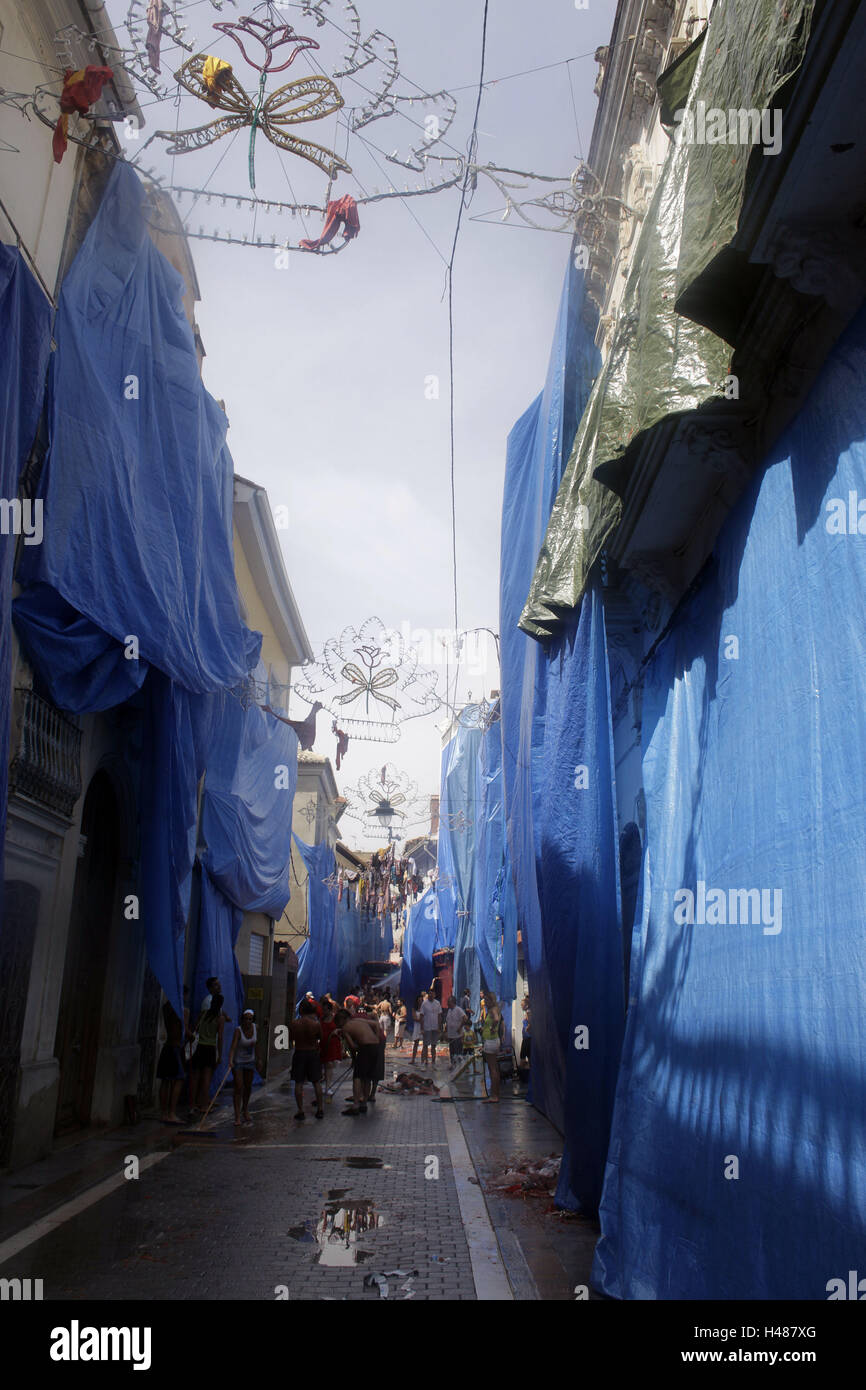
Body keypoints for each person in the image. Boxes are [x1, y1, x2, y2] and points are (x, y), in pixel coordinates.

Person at [334, 1008, 381, 1115]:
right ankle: (364, 1103)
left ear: (342, 1020)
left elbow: (353, 1047)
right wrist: (376, 1039)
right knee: (367, 1077)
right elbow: (376, 1025)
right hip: (375, 1047)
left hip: (365, 1048)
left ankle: (355, 1105)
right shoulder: (360, 1020)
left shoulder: (345, 1028)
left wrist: (356, 1056)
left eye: (337, 1023)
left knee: (357, 1077)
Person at [190, 991, 225, 1115]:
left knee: (195, 1078)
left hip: (199, 1047)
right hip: (210, 1049)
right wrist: (220, 1055)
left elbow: (195, 1028)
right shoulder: (220, 1019)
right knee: (206, 1079)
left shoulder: (203, 1014)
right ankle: (204, 1105)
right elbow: (220, 1037)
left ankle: (192, 1104)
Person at [289, 999, 323, 1120]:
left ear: (301, 1010)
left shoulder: (294, 1023)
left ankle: (300, 1110)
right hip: (312, 1052)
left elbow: (290, 1038)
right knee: (316, 1082)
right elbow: (320, 1037)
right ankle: (320, 1109)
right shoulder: (316, 1024)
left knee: (298, 1083)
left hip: (299, 1052)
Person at [228, 1009, 261, 1127]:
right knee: (238, 1086)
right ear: (242, 1019)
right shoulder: (238, 1031)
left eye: (250, 1019)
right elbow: (233, 1047)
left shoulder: (255, 1028)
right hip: (238, 1062)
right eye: (246, 1019)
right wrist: (230, 1060)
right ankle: (237, 1116)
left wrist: (259, 1059)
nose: (247, 1021)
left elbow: (257, 1044)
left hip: (250, 1062)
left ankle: (245, 1109)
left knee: (248, 1087)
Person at [157, 995, 187, 1124]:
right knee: (178, 1079)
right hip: (175, 1048)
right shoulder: (182, 1010)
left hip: (167, 1047)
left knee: (165, 1080)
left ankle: (164, 1113)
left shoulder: (166, 1008)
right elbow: (185, 1030)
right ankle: (172, 1113)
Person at [480, 990, 503, 1103]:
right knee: (494, 1069)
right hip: (493, 1040)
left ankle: (494, 1096)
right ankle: (495, 1093)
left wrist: (492, 1028)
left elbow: (496, 1020)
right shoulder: (496, 1009)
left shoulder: (493, 1010)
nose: (485, 1002)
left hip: (491, 1041)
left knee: (492, 1069)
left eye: (486, 1000)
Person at [320, 999, 343, 1097]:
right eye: (323, 1010)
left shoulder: (335, 1019)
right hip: (323, 1044)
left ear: (330, 1010)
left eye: (325, 1010)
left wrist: (336, 1031)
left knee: (329, 1065)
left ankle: (328, 1086)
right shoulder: (321, 1019)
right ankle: (325, 1084)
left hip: (332, 1044)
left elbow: (342, 1029)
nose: (324, 1012)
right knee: (325, 1065)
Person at [420, 989, 442, 1066]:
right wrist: (422, 1028)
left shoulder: (437, 1003)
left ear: (434, 995)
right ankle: (423, 1062)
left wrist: (439, 1027)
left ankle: (433, 1062)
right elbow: (421, 1016)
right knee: (425, 1045)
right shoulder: (424, 1003)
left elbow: (439, 1016)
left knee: (433, 1045)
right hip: (427, 1027)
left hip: (435, 1027)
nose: (431, 995)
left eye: (432, 994)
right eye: (429, 994)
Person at [444, 995, 466, 1064]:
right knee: (452, 1052)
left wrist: (460, 1027)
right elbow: (447, 1022)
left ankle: (459, 1066)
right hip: (451, 1035)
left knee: (458, 1052)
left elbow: (465, 1018)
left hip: (457, 1036)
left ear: (452, 1002)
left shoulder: (458, 1009)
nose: (447, 1003)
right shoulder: (449, 1010)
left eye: (448, 1002)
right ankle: (453, 1065)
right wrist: (446, 1032)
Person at [411, 995, 424, 1064]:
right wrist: (421, 1020)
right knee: (416, 1043)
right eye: (419, 1000)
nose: (420, 1002)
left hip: (423, 1026)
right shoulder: (414, 1009)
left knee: (424, 1044)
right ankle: (413, 1059)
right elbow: (414, 1018)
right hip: (417, 1027)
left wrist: (421, 1020)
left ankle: (423, 1060)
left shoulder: (424, 1009)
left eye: (421, 1000)